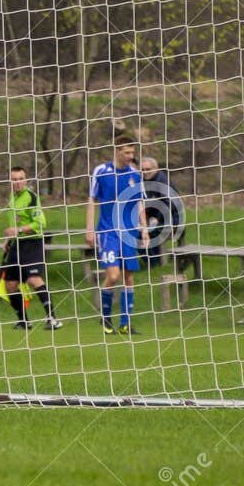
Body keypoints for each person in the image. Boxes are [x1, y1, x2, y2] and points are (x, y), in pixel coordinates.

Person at [85, 133, 146, 335]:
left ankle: (125, 324)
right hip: (107, 231)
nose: (130, 156)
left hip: (128, 232)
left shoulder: (135, 174)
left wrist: (144, 228)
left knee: (128, 277)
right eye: (127, 152)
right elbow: (92, 200)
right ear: (117, 150)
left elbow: (139, 202)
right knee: (113, 275)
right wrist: (89, 229)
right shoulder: (101, 171)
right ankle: (106, 318)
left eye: (132, 152)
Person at [0, 166, 58, 330]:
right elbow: (15, 223)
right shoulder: (12, 197)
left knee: (34, 279)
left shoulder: (31, 197)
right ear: (10, 182)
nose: (17, 182)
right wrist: (8, 240)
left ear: (26, 180)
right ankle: (24, 321)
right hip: (17, 244)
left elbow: (40, 223)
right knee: (10, 284)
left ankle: (53, 318)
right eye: (14, 179)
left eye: (20, 179)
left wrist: (17, 230)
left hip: (32, 243)